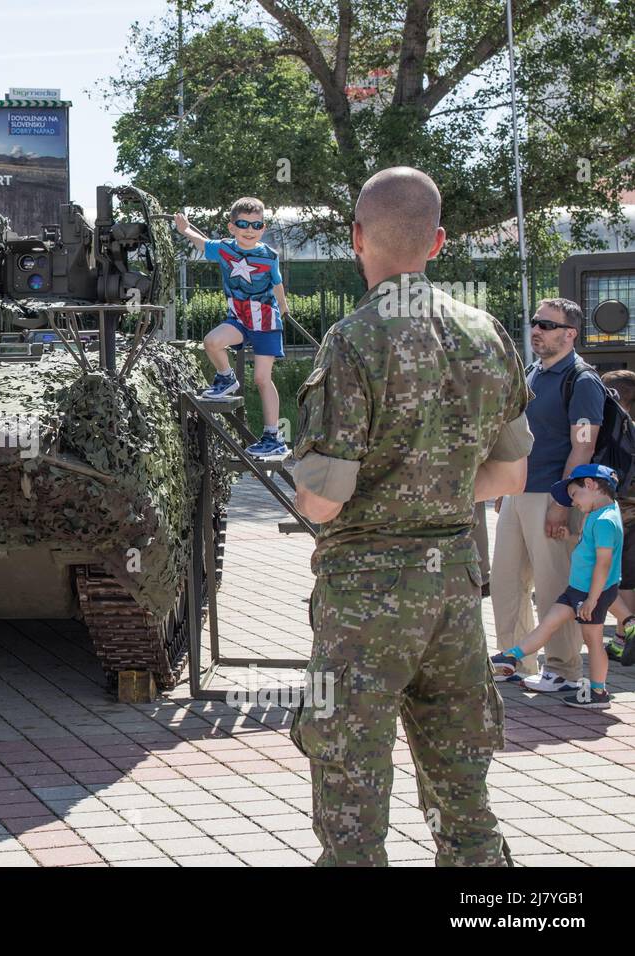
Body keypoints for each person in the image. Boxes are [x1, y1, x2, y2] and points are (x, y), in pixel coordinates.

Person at [291, 166, 531, 867]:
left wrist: (310, 494)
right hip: (454, 585)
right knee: (463, 790)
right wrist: (440, 496)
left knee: (351, 781)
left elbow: (325, 500)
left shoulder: (354, 340)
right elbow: (511, 474)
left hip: (367, 593)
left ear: (357, 237)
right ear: (440, 241)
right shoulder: (487, 333)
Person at [490, 299, 605, 691]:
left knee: (554, 584)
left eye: (546, 325)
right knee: (506, 582)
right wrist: (506, 486)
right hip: (519, 492)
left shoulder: (583, 380)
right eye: (534, 322)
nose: (536, 330)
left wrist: (561, 501)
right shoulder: (534, 370)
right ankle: (514, 661)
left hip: (552, 497)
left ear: (569, 333)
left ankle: (564, 670)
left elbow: (583, 446)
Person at [491, 465, 620, 709]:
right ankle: (512, 657)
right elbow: (586, 546)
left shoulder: (605, 521)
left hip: (591, 594)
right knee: (549, 623)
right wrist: (570, 537)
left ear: (591, 486)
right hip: (576, 592)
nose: (574, 502)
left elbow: (604, 564)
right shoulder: (596, 516)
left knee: (593, 643)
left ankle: (597, 691)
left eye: (574, 496)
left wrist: (593, 599)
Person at [174, 198, 292, 458]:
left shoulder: (269, 256)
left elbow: (277, 284)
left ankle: (273, 437)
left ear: (263, 228)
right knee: (212, 341)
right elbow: (202, 243)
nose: (249, 229)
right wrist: (185, 230)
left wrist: (283, 307)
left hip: (265, 322)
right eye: (243, 224)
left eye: (256, 225)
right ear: (232, 227)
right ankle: (226, 377)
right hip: (239, 318)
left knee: (262, 379)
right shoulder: (225, 249)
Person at [599, 369, 635, 666]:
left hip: (622, 518)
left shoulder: (619, 432)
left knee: (617, 580)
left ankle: (628, 631)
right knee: (628, 581)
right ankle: (624, 638)